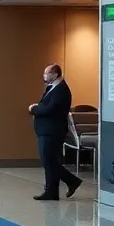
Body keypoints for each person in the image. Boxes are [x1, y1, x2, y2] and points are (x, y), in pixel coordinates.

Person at [29, 63, 82, 201]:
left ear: (55, 74)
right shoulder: (52, 88)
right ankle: (52, 190)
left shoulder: (61, 90)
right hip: (45, 130)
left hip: (52, 131)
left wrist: (34, 109)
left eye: (47, 73)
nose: (44, 76)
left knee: (49, 161)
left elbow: (50, 109)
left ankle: (70, 181)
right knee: (49, 161)